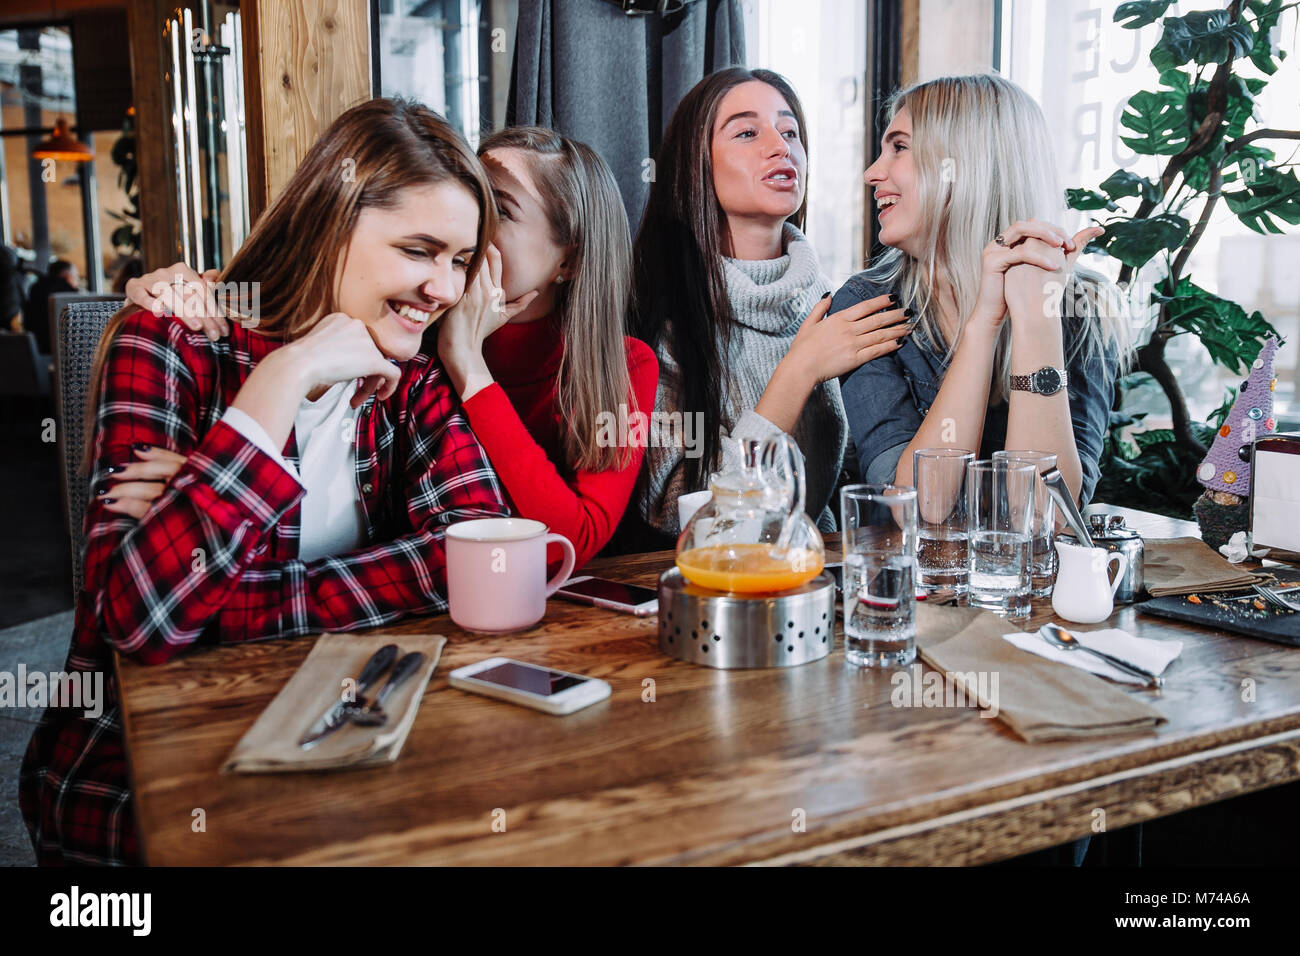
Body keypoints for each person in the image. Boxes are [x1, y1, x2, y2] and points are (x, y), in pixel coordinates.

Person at [20, 97, 510, 865]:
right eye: (420, 251)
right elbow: (141, 620)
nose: (444, 290)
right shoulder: (175, 339)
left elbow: (481, 556)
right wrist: (285, 378)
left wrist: (220, 554)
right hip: (142, 783)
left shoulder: (409, 377)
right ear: (332, 222)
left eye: (459, 260)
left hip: (338, 739)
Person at [123, 128, 659, 570]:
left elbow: (554, 544)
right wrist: (188, 288)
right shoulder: (401, 333)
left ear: (569, 260)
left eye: (497, 209)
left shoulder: (623, 365)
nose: (468, 219)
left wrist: (468, 363)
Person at [632, 67, 909, 539]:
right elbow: (687, 520)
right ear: (694, 164)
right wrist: (798, 373)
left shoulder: (840, 303)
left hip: (818, 574)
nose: (781, 147)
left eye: (790, 132)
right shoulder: (657, 316)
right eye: (746, 132)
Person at [834, 73, 1129, 504]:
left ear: (965, 165)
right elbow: (921, 506)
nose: (871, 173)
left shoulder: (1081, 307)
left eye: (899, 148)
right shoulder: (867, 305)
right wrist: (984, 324)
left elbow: (1048, 514)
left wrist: (1036, 318)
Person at [22, 259, 80, 354]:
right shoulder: (70, 295)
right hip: (63, 352)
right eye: (76, 276)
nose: (77, 281)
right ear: (68, 277)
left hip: (36, 348)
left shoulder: (35, 288)